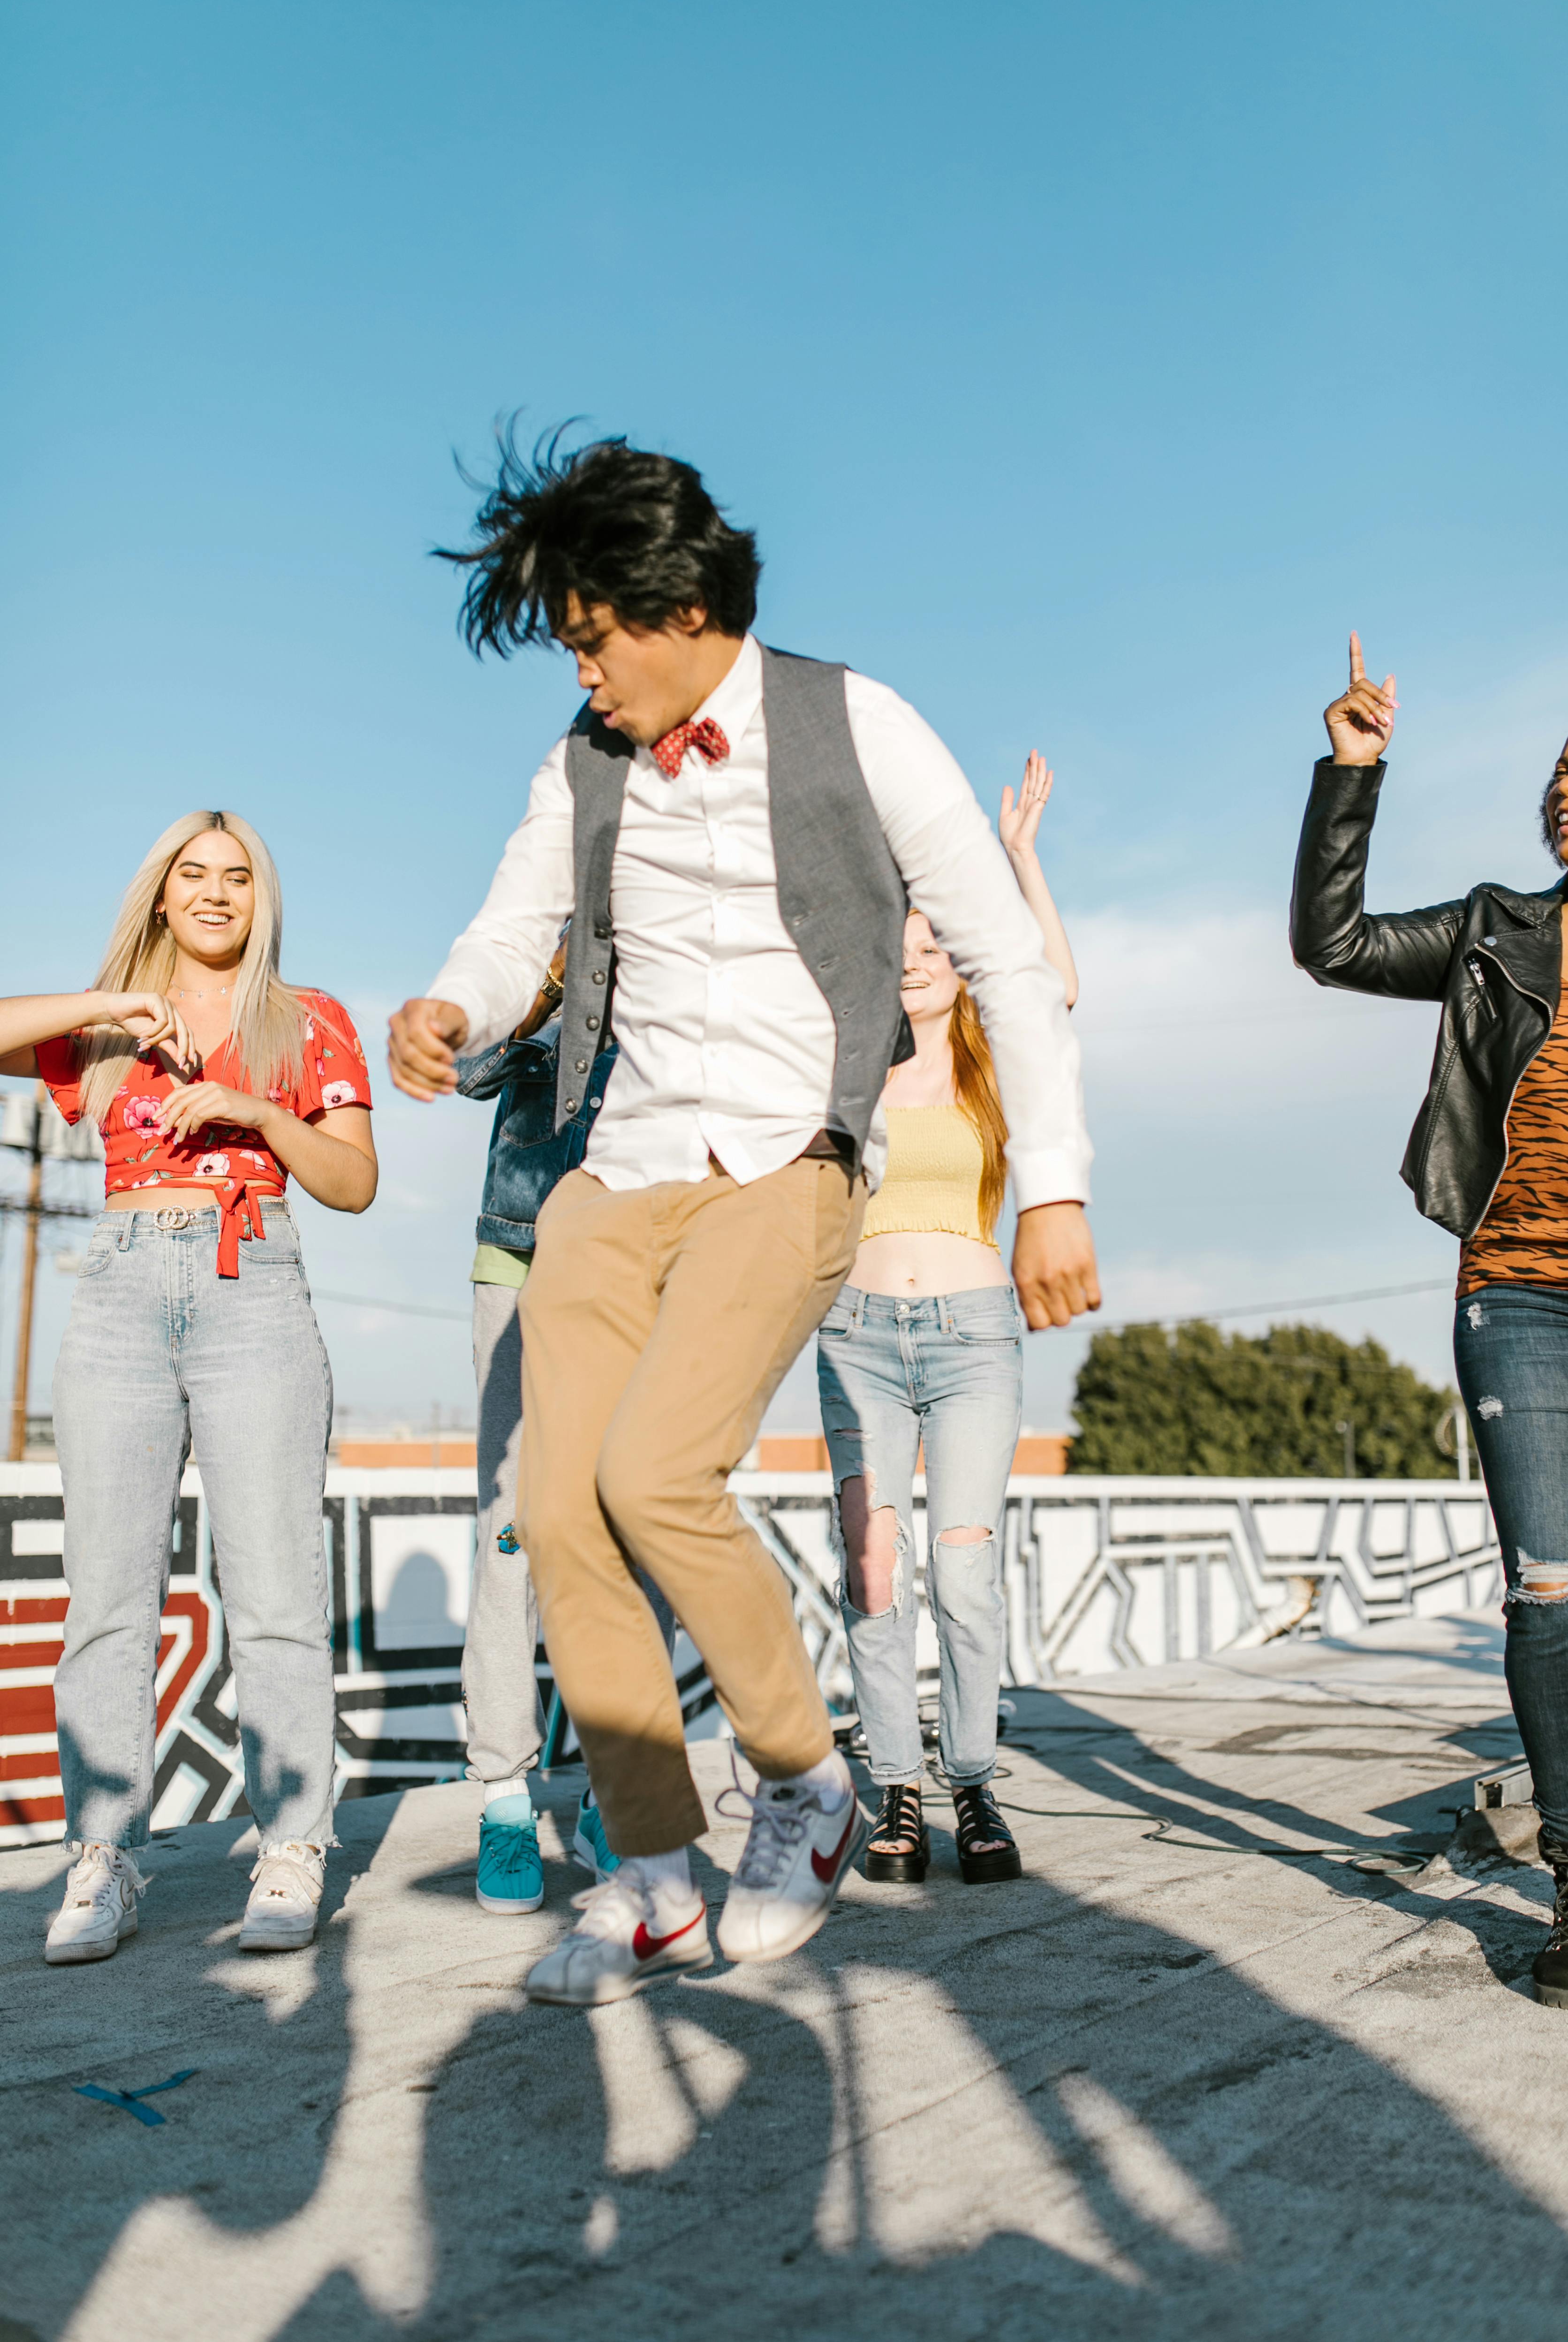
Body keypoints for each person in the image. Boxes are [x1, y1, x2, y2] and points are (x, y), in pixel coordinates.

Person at [389, 430, 1098, 2009]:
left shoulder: (857, 721)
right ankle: (648, 1872)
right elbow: (520, 918)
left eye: (588, 638)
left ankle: (802, 1776)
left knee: (656, 1475)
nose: (580, 676)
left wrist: (1050, 1185)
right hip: (613, 1171)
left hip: (788, 1160)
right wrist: (450, 1002)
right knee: (556, 1511)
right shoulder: (581, 759)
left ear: (675, 602)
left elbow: (1001, 958)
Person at [0, 811, 376, 1965]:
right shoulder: (104, 1031)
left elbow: (355, 1181)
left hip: (252, 1284)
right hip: (116, 1290)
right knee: (109, 1600)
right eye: (193, 876)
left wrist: (261, 1112)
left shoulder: (307, 1020)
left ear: (262, 900)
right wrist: (106, 1005)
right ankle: (103, 1861)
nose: (216, 894)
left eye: (238, 878)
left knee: (271, 1593)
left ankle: (292, 1848)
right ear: (161, 895)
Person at [1290, 635, 1568, 2009]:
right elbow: (1331, 946)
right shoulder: (1496, 931)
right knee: (1551, 1588)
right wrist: (1353, 777)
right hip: (1519, 1298)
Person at [820, 752, 1077, 1887]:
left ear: (962, 966)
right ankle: (895, 1786)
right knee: (874, 1569)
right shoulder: (847, 1072)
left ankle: (972, 1782)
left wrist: (1019, 857)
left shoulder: (986, 1071)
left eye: (937, 948)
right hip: (856, 1338)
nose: (918, 963)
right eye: (904, 948)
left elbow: (1052, 986)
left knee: (962, 1570)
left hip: (972, 1335)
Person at [456, 933, 670, 1912]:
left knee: (636, 1533)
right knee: (511, 1531)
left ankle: (612, 1797)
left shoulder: (687, 948)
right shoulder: (532, 942)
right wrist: (548, 980)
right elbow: (472, 1066)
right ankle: (504, 1800)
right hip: (521, 1255)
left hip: (645, 1267)